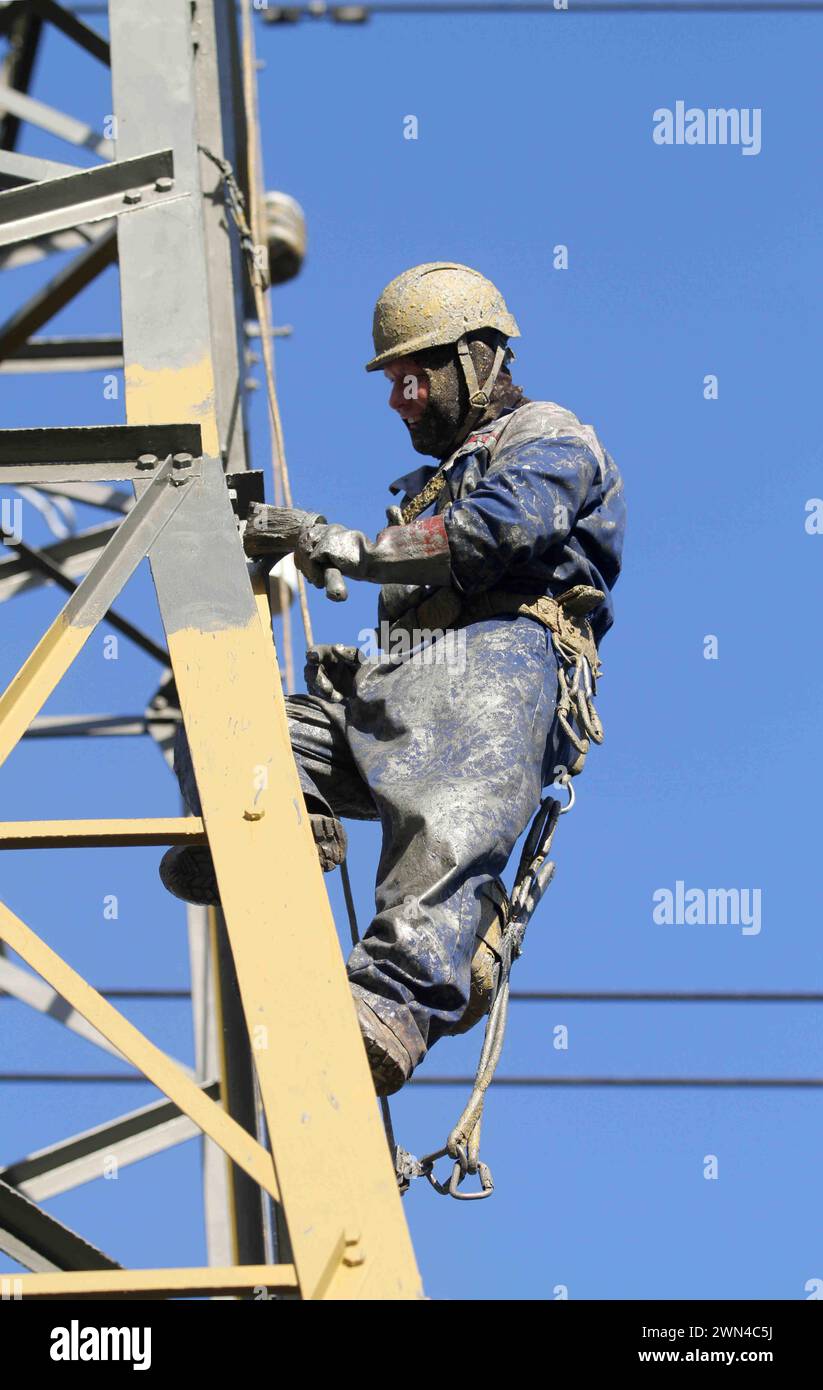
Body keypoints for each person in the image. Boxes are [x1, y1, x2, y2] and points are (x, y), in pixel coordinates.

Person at [161, 261, 626, 1096]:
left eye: (413, 377)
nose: (398, 398)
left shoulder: (549, 436)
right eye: (394, 380)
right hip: (411, 690)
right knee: (229, 722)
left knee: (445, 831)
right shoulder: (426, 487)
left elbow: (493, 535)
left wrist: (346, 546)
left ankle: (389, 1003)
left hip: (497, 668)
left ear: (476, 358)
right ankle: (285, 826)